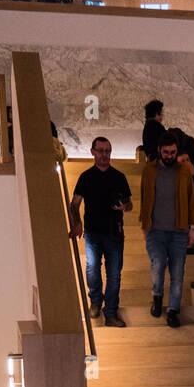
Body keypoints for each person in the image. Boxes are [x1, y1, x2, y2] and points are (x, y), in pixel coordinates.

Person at [69, 137, 132, 328]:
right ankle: (95, 301)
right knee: (92, 269)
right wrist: (77, 223)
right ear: (93, 152)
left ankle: (111, 313)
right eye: (101, 151)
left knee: (114, 275)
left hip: (115, 232)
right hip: (93, 232)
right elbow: (74, 204)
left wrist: (124, 207)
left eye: (107, 151)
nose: (105, 155)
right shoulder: (86, 177)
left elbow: (129, 204)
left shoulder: (119, 177)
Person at [140, 129, 194, 327]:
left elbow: (191, 200)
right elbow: (144, 197)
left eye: (173, 152)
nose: (170, 156)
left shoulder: (184, 171)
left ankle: (173, 310)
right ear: (159, 150)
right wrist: (144, 224)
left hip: (179, 231)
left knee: (177, 274)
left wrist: (192, 228)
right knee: (158, 264)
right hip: (155, 230)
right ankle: (157, 297)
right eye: (166, 152)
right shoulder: (149, 170)